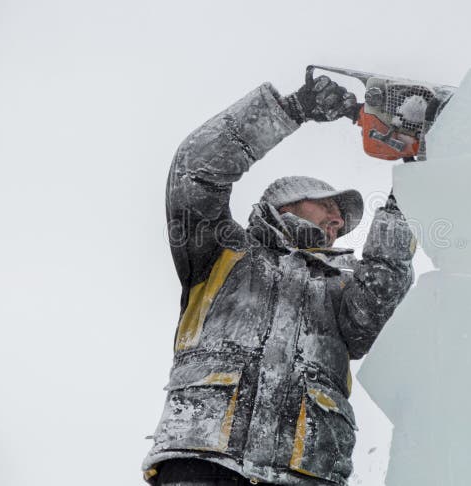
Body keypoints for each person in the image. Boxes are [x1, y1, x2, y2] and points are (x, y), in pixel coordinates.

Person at [143, 73, 416, 486]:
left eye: (342, 220)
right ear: (282, 201)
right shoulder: (219, 250)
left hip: (306, 475)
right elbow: (195, 171)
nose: (338, 221)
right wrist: (292, 109)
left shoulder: (341, 285)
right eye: (327, 205)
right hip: (204, 462)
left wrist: (406, 201)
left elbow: (375, 308)